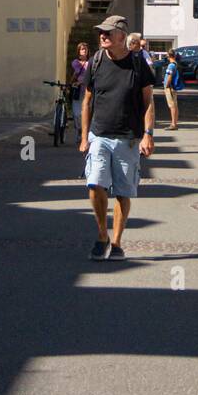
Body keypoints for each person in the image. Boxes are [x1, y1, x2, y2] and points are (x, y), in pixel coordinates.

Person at [80, 16, 154, 261]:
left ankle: (117, 242)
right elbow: (87, 101)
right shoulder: (96, 62)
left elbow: (148, 102)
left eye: (108, 33)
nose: (102, 36)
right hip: (99, 134)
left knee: (123, 192)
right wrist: (84, 136)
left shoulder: (138, 65)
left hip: (128, 138)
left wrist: (148, 135)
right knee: (95, 183)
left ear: (122, 36)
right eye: (101, 32)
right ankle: (102, 235)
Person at [69, 42, 90, 142]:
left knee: (86, 112)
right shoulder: (75, 63)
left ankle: (84, 133)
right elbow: (75, 74)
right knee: (77, 114)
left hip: (87, 91)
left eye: (85, 49)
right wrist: (72, 83)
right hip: (78, 91)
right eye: (82, 49)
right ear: (78, 51)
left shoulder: (91, 63)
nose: (84, 51)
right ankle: (79, 129)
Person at [163, 49, 181, 130]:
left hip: (170, 87)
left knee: (172, 105)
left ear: (169, 56)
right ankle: (175, 123)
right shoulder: (175, 64)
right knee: (175, 105)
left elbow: (169, 76)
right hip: (173, 87)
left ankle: (173, 124)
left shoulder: (171, 65)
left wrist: (166, 85)